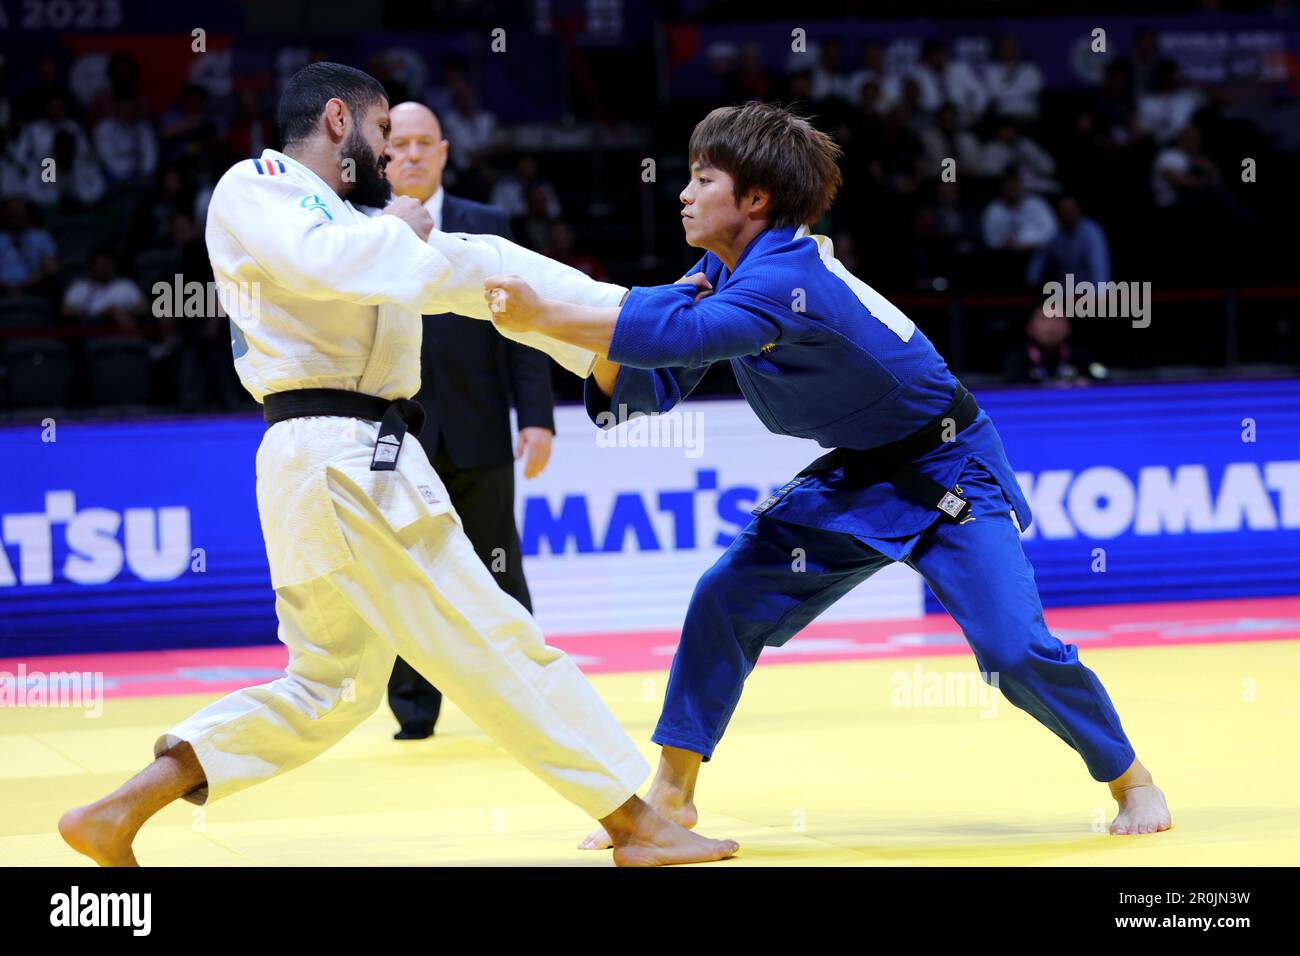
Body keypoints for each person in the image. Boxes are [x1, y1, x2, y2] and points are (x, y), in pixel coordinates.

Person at [57, 62, 738, 869]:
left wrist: (635, 318)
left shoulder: (364, 224)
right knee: (495, 638)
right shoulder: (262, 184)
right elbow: (331, 262)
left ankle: (118, 811)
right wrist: (405, 228)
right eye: (383, 134)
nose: (390, 156)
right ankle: (637, 822)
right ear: (339, 120)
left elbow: (484, 268)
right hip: (342, 455)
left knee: (328, 690)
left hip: (333, 460)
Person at [482, 101, 1172, 850]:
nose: (682, 192)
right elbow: (648, 374)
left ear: (755, 200)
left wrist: (545, 312)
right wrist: (562, 329)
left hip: (947, 470)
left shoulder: (783, 281)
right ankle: (671, 796)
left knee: (1011, 651)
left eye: (702, 178)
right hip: (857, 475)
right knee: (724, 598)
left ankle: (1132, 778)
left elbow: (678, 334)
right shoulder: (725, 268)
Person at [381, 100, 556, 740]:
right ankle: (414, 711)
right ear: (381, 151)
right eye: (399, 143)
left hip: (481, 428)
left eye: (425, 142)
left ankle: (532, 700)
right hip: (397, 436)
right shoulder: (360, 229)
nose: (413, 154)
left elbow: (522, 328)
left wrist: (537, 419)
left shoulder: (487, 225)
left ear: (446, 152)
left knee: (499, 567)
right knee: (407, 574)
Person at [1003, 303, 1107, 386]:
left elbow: (1104, 378)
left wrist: (1089, 382)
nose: (1051, 325)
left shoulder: (1083, 357)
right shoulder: (1017, 360)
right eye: (1044, 319)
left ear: (1069, 327)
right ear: (1030, 327)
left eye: (1057, 318)